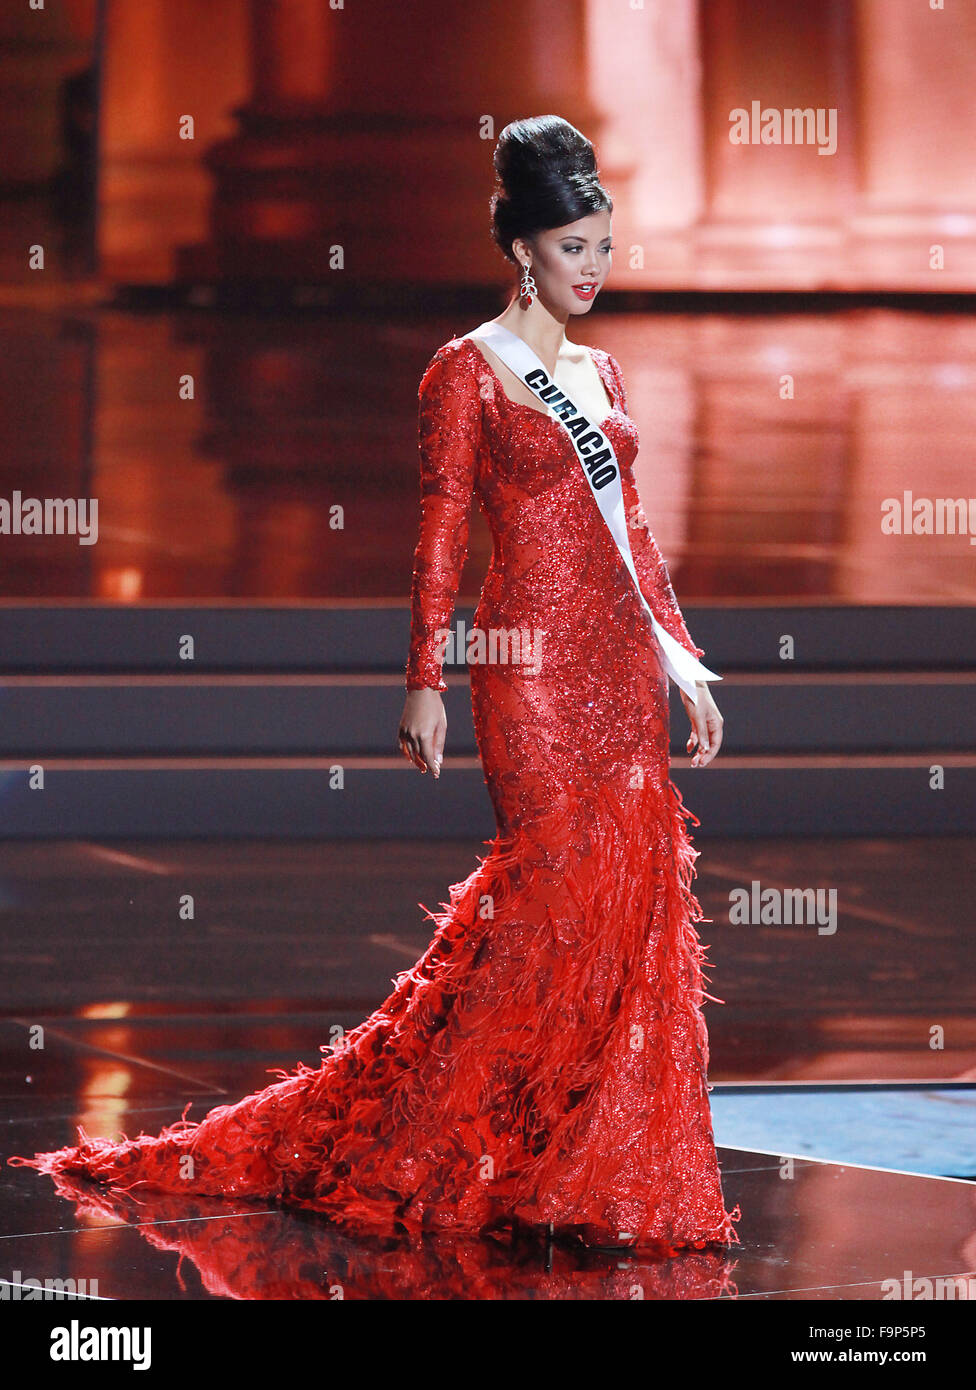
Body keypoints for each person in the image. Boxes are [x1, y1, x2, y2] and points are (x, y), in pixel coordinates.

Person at [10, 114, 739, 1257]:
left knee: (626, 903)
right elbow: (440, 537)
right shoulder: (464, 372)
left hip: (613, 664)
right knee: (547, 900)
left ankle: (572, 1156)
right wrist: (425, 680)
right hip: (525, 672)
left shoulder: (600, 369)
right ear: (522, 253)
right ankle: (445, 1138)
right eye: (570, 248)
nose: (591, 268)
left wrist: (680, 658)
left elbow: (633, 532)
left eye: (602, 244)